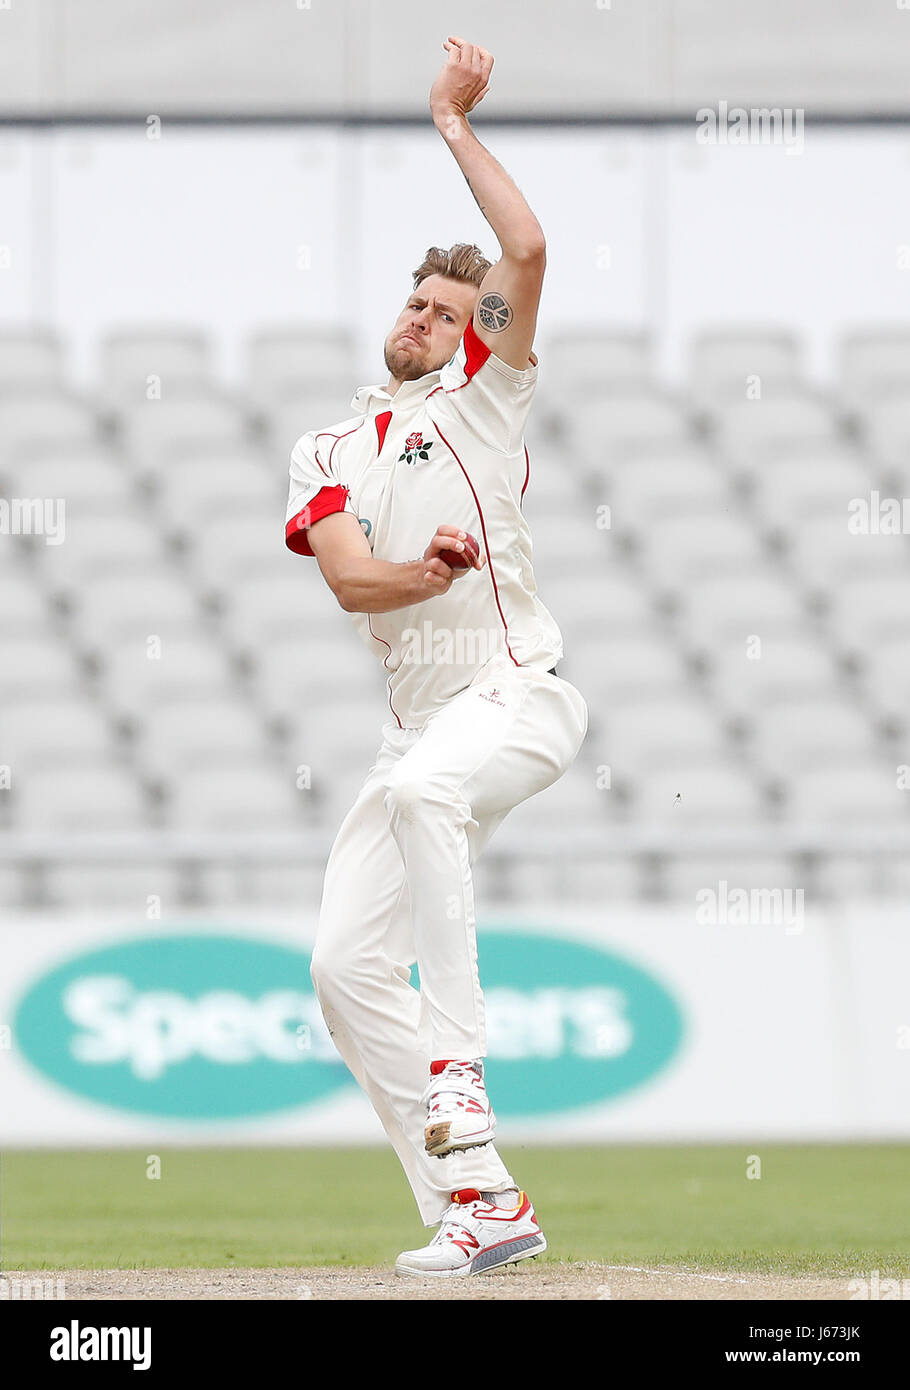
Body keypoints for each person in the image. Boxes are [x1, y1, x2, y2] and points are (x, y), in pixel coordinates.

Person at [285, 36, 587, 1277]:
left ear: (480, 340)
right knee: (342, 967)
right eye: (414, 301)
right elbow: (353, 576)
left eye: (446, 312)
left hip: (515, 700)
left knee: (425, 792)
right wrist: (424, 575)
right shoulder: (330, 444)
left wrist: (451, 125)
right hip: (418, 730)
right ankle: (479, 1201)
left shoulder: (483, 401)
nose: (421, 318)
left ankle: (460, 1065)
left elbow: (524, 254)